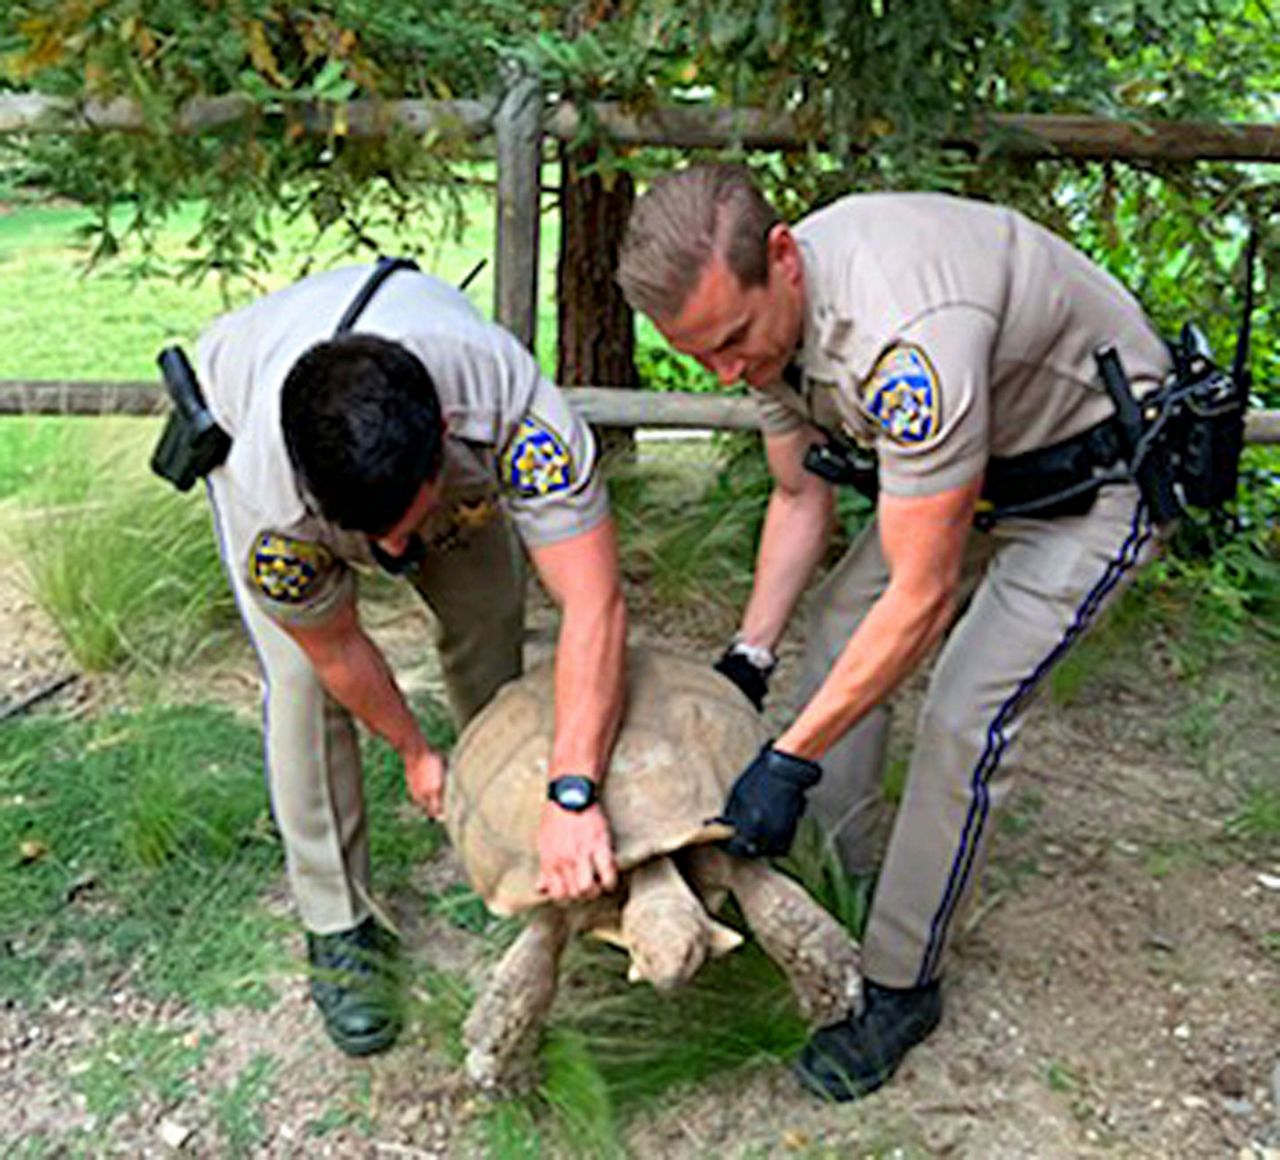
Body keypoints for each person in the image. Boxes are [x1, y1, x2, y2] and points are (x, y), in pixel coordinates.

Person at [617, 165, 1174, 1100]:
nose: (723, 372)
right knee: (837, 623)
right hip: (982, 465)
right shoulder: (758, 330)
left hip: (1095, 481)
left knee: (966, 712)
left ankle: (900, 983)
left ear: (783, 257)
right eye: (698, 354)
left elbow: (920, 597)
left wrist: (784, 758)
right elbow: (800, 495)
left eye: (732, 342)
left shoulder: (902, 341)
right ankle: (836, 879)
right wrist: (752, 658)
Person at [184, 261, 626, 1055]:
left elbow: (593, 605)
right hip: (259, 404)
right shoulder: (272, 490)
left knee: (489, 620)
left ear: (445, 445)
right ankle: (338, 923)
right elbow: (336, 647)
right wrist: (415, 751)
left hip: (434, 437)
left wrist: (572, 786)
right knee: (299, 686)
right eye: (372, 537)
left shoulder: (514, 413)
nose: (392, 554)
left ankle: (519, 835)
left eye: (401, 528)